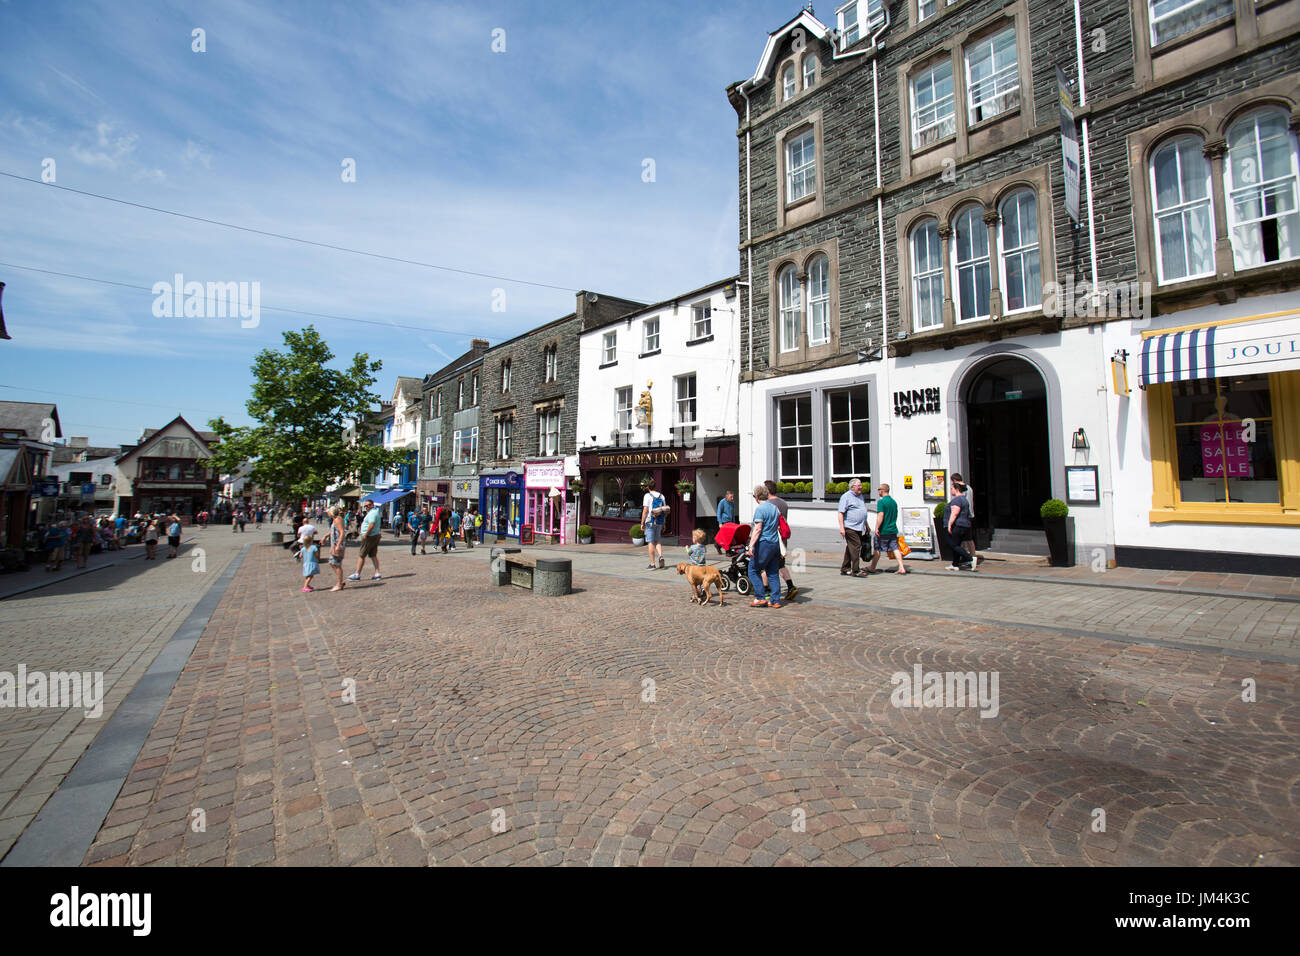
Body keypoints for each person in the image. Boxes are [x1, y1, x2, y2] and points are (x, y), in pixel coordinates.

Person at [745, 485, 782, 608]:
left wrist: (751, 546)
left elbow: (758, 528)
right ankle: (775, 600)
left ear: (756, 497)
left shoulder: (760, 509)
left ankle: (760, 597)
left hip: (764, 543)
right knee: (772, 572)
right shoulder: (775, 508)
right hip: (775, 543)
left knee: (753, 569)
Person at [763, 480, 798, 601]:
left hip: (771, 538)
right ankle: (790, 586)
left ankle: (766, 590)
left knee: (765, 565)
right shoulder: (784, 503)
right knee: (780, 564)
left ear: (767, 491)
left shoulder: (767, 504)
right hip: (782, 538)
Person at [867, 482, 908, 575]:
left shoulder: (881, 502)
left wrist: (877, 527)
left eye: (878, 490)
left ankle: (872, 567)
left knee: (877, 548)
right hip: (892, 529)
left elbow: (880, 515)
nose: (878, 492)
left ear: (882, 490)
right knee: (895, 548)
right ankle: (901, 567)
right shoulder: (893, 502)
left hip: (883, 530)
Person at [836, 478, 870, 577]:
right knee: (856, 546)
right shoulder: (846, 497)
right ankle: (856, 570)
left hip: (859, 526)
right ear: (852, 487)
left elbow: (862, 511)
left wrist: (866, 525)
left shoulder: (860, 496)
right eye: (859, 486)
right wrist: (842, 527)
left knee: (850, 547)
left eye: (861, 485)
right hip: (850, 527)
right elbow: (840, 513)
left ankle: (845, 568)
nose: (861, 487)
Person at [943, 479, 975, 571]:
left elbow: (954, 513)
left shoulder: (957, 500)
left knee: (952, 544)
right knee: (956, 544)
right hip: (964, 525)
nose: (951, 490)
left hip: (957, 526)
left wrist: (949, 524)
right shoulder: (964, 499)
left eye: (952, 488)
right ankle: (955, 564)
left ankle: (969, 558)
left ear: (956, 489)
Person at [950, 473, 979, 571]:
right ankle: (971, 556)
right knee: (968, 539)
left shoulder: (962, 489)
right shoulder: (969, 488)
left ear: (955, 481)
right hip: (970, 515)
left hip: (964, 516)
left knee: (962, 540)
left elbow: (961, 504)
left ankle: (969, 558)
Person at [350, 500, 383, 581]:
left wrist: (365, 534)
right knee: (373, 554)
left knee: (362, 554)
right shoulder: (374, 512)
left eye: (368, 505)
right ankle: (377, 573)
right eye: (365, 506)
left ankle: (357, 574)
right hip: (375, 535)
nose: (366, 507)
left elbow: (371, 524)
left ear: (372, 505)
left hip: (370, 536)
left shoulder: (372, 513)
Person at [640, 478, 668, 570]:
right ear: (655, 486)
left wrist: (642, 523)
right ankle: (660, 556)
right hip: (659, 521)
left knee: (651, 542)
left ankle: (652, 564)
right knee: (658, 540)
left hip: (650, 522)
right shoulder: (662, 496)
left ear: (648, 487)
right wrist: (664, 523)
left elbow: (645, 511)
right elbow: (664, 510)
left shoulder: (647, 496)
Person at [326, 505, 348, 590]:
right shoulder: (335, 520)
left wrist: (338, 545)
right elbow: (333, 531)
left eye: (328, 512)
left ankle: (339, 584)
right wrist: (325, 536)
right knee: (332, 563)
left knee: (336, 564)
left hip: (338, 544)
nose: (327, 513)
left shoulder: (337, 519)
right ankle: (340, 581)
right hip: (335, 544)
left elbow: (342, 532)